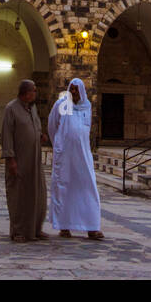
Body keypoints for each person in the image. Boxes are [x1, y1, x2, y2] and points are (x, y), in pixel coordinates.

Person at [47, 77, 104, 240]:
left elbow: (87, 129)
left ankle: (92, 226)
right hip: (65, 155)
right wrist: (58, 145)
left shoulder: (87, 107)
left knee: (88, 186)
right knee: (63, 186)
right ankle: (64, 226)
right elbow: (52, 125)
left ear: (82, 91)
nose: (73, 92)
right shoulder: (62, 104)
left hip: (83, 154)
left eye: (76, 89)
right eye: (71, 89)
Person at [1, 79, 47, 242]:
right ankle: (19, 231)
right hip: (20, 159)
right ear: (26, 93)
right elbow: (7, 135)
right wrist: (10, 159)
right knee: (19, 196)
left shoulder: (32, 109)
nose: (35, 93)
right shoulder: (11, 109)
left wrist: (39, 135)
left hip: (34, 160)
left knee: (37, 195)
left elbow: (35, 127)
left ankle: (35, 229)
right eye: (33, 91)